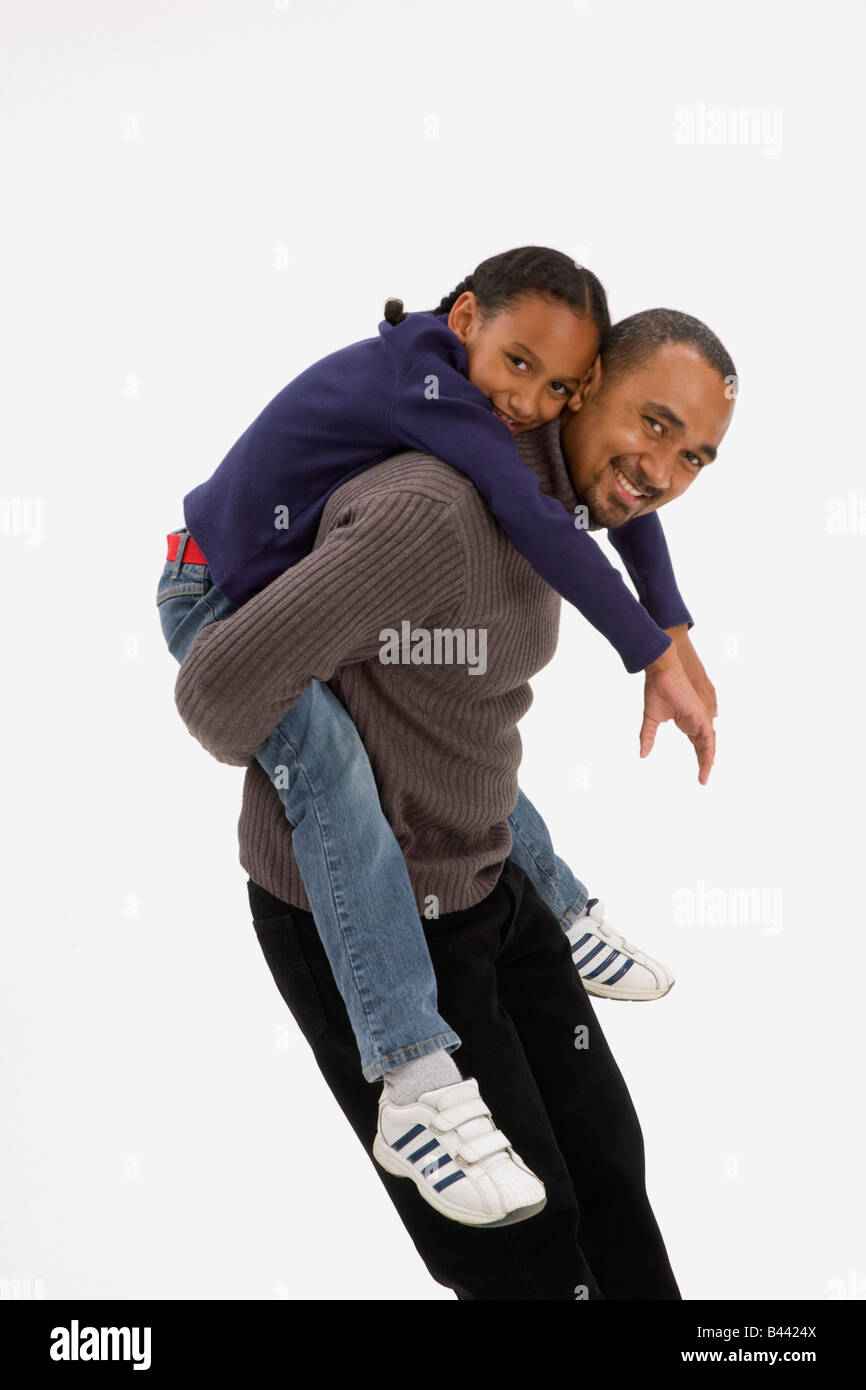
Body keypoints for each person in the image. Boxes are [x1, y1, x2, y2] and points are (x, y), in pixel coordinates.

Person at [171, 307, 737, 1298]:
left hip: (487, 877)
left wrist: (668, 623)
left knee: (605, 1168)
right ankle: (415, 1084)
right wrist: (647, 647)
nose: (663, 472)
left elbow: (473, 670)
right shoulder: (429, 512)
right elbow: (220, 690)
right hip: (369, 918)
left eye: (693, 456)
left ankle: (562, 899)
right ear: (584, 380)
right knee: (527, 1250)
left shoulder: (549, 504)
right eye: (651, 425)